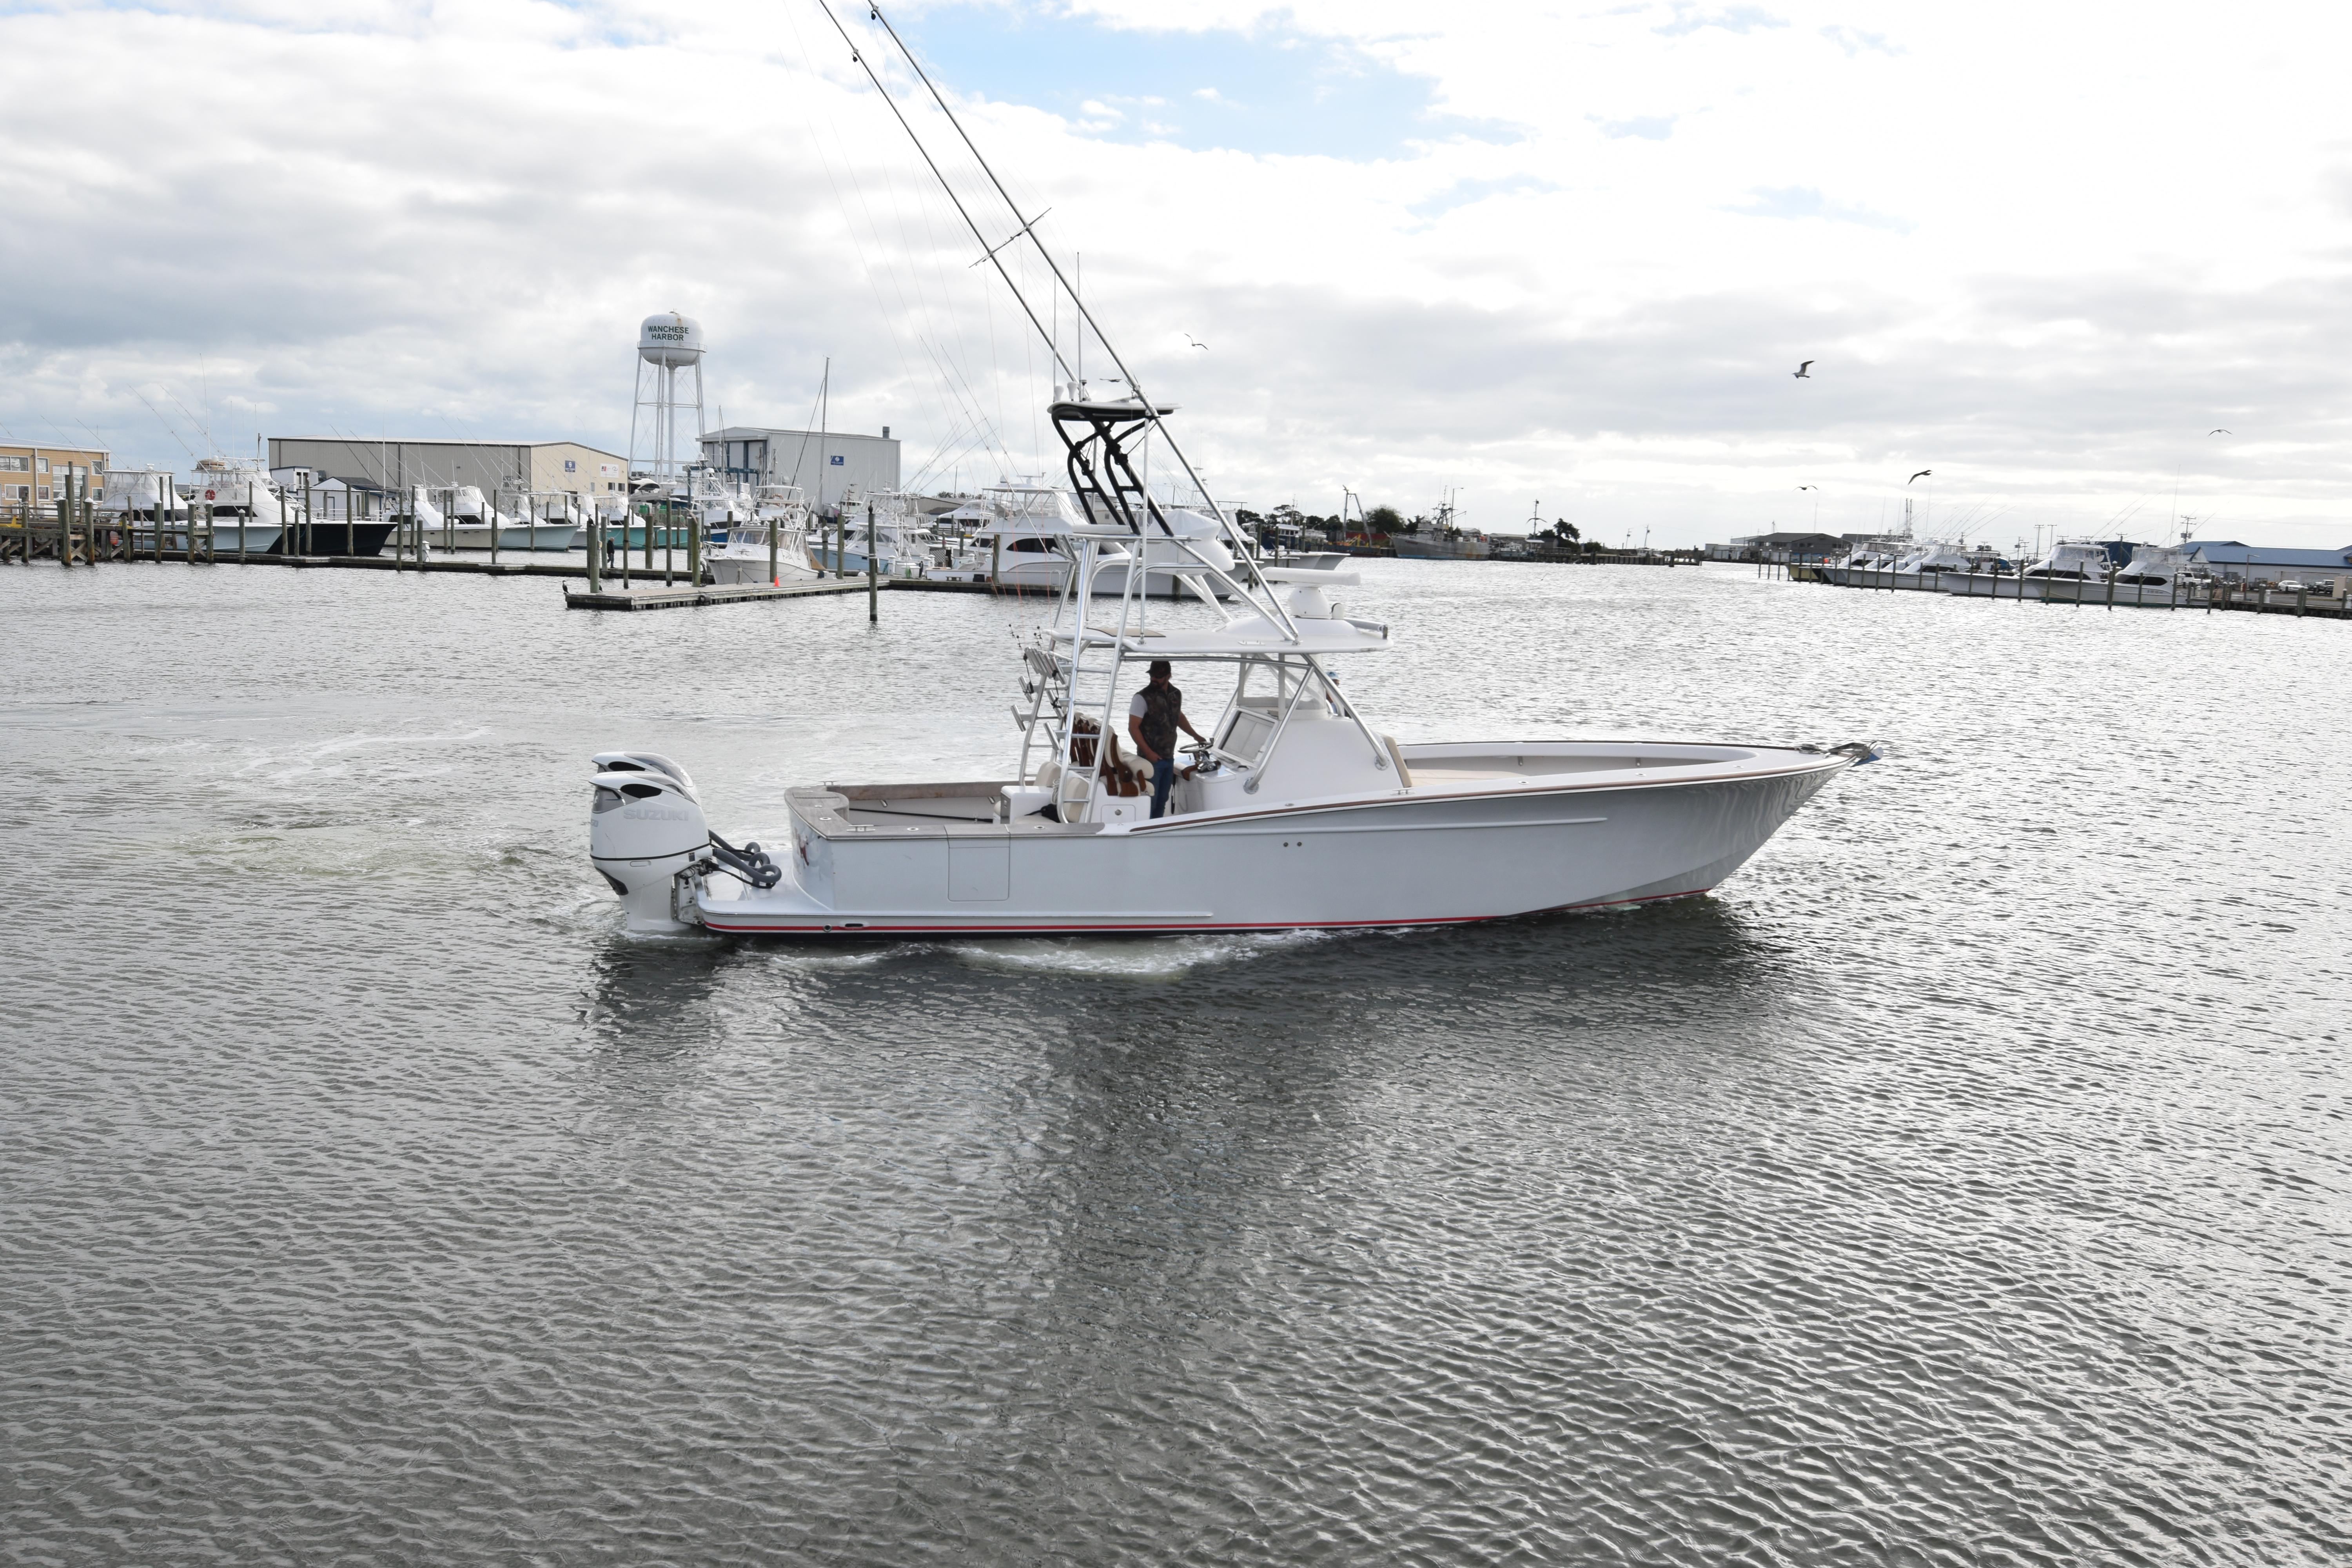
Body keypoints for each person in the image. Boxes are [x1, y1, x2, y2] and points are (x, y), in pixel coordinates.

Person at [1128, 659, 1205, 819]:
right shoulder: (1141, 698)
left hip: (1169, 757)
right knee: (1150, 800)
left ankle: (1155, 830)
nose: (1154, 679)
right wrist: (1148, 753)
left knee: (1163, 799)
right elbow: (1133, 728)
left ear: (1169, 676)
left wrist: (1196, 736)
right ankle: (1145, 831)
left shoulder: (1176, 694)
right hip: (1149, 760)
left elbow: (1179, 717)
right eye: (1152, 675)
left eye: (1159, 676)